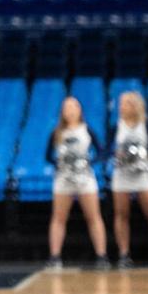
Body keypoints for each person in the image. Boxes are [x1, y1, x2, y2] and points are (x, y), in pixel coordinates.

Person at [109, 91, 148, 267]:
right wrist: (116, 155)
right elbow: (107, 150)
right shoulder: (117, 126)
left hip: (141, 175)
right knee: (121, 215)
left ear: (135, 105)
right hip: (122, 175)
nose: (122, 107)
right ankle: (124, 254)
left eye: (126, 103)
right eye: (121, 103)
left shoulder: (146, 126)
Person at [46, 96, 108, 269]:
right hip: (63, 179)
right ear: (62, 112)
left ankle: (101, 256)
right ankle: (55, 256)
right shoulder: (56, 132)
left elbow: (102, 152)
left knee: (94, 216)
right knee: (58, 218)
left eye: (73, 106)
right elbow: (48, 156)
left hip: (85, 178)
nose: (70, 110)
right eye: (66, 107)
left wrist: (90, 162)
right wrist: (58, 164)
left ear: (80, 109)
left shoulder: (87, 129)